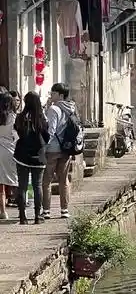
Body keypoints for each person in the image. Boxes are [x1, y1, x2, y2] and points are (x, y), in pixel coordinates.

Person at [42, 83, 78, 220]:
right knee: (64, 180)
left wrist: (44, 147)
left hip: (52, 149)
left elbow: (50, 130)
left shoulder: (54, 109)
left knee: (47, 180)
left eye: (53, 93)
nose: (51, 95)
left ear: (60, 95)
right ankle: (64, 210)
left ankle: (46, 210)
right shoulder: (72, 108)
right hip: (66, 148)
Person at [13, 92, 49, 225]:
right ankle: (37, 216)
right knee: (37, 186)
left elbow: (17, 132)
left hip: (21, 155)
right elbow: (47, 136)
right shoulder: (41, 118)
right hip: (38, 156)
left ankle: (22, 217)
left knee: (22, 186)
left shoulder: (20, 117)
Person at [0, 92, 17, 221]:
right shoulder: (13, 118)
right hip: (9, 150)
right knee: (10, 180)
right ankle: (16, 204)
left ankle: (3, 211)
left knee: (0, 184)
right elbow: (16, 136)